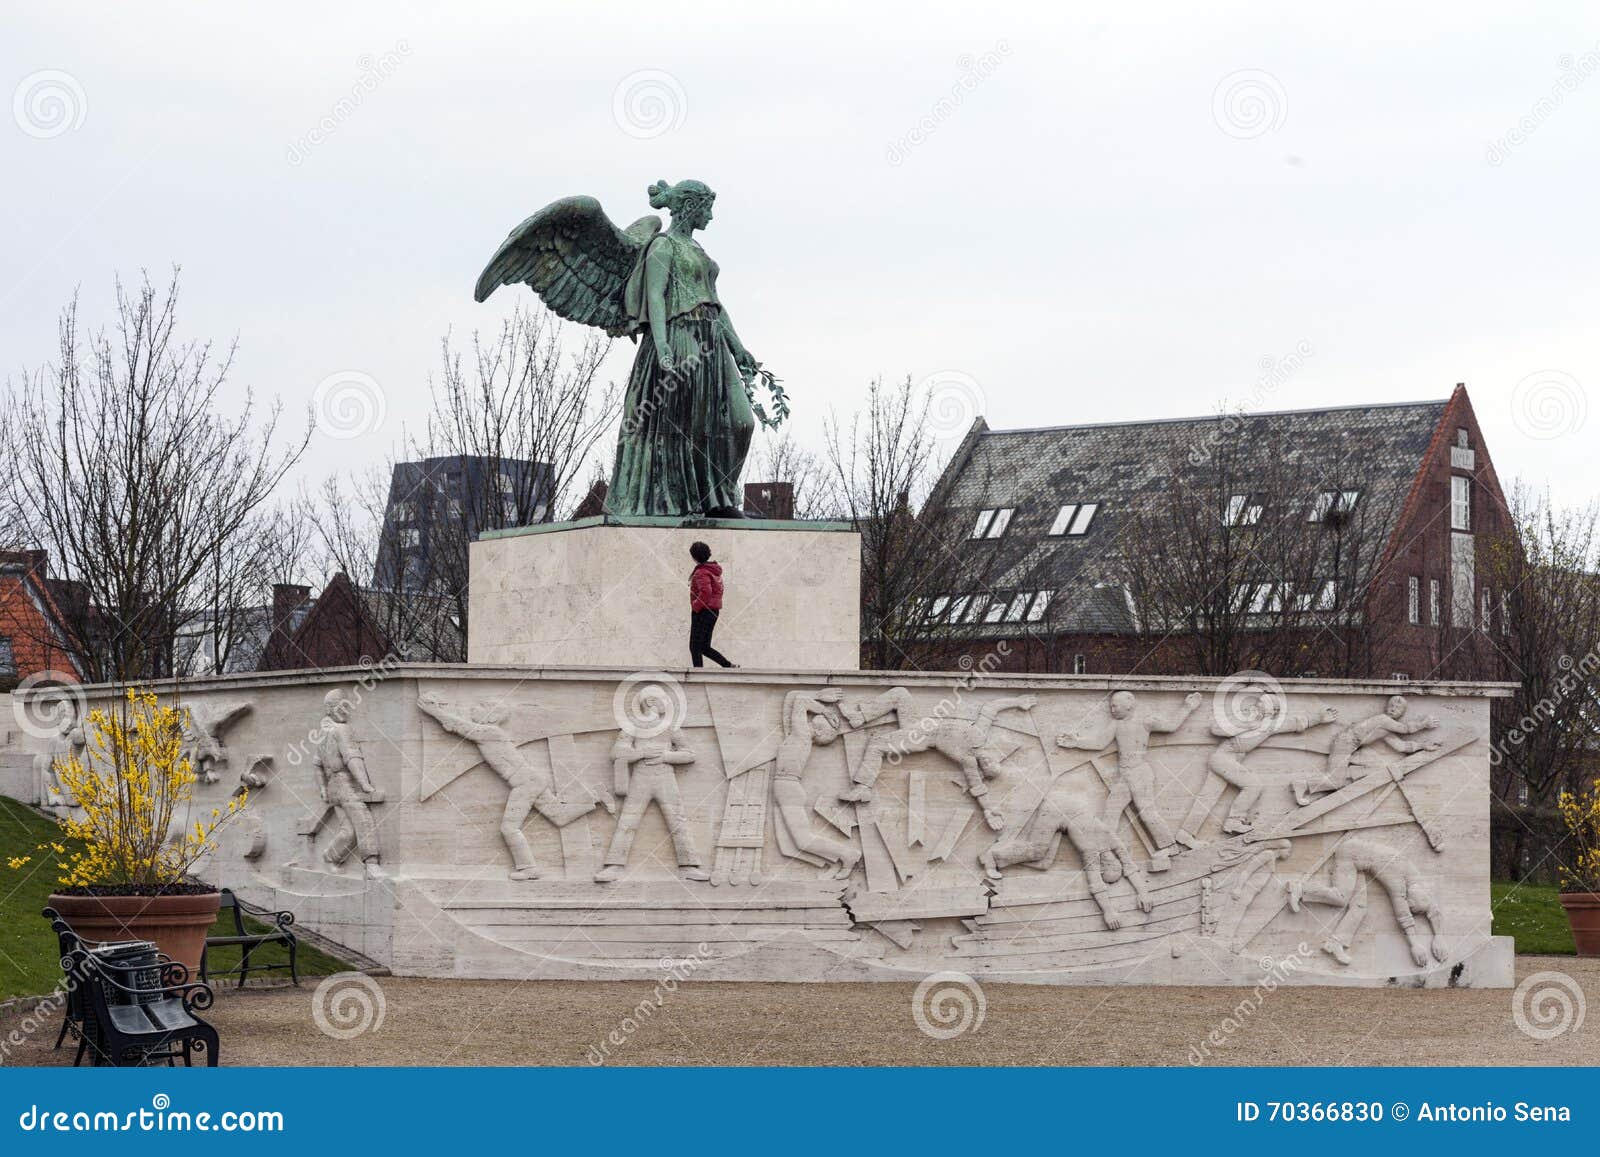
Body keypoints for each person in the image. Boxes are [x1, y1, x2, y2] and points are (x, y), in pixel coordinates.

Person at [417, 693, 612, 880]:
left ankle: (529, 869)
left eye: (479, 707)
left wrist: (435, 711)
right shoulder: (488, 732)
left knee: (509, 828)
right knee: (559, 816)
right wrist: (440, 709)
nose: (473, 709)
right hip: (531, 780)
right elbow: (457, 724)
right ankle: (595, 795)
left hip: (525, 783)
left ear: (491, 716)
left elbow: (458, 726)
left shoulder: (490, 732)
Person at [1057, 689, 1202, 873]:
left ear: (1129, 705)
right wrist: (1076, 742)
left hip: (1140, 773)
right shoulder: (1116, 724)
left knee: (1147, 812)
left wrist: (1187, 707)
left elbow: (1171, 726)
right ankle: (1104, 849)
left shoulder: (1145, 721)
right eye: (1111, 706)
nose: (1112, 709)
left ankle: (1169, 846)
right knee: (1111, 811)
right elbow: (1099, 743)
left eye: (1115, 706)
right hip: (1125, 776)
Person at [688, 541, 734, 668]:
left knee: (695, 646)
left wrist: (695, 606)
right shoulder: (713, 570)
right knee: (704, 646)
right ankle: (728, 665)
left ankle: (698, 674)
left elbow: (706, 592)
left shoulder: (701, 572)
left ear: (694, 556)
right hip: (712, 611)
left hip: (703, 611)